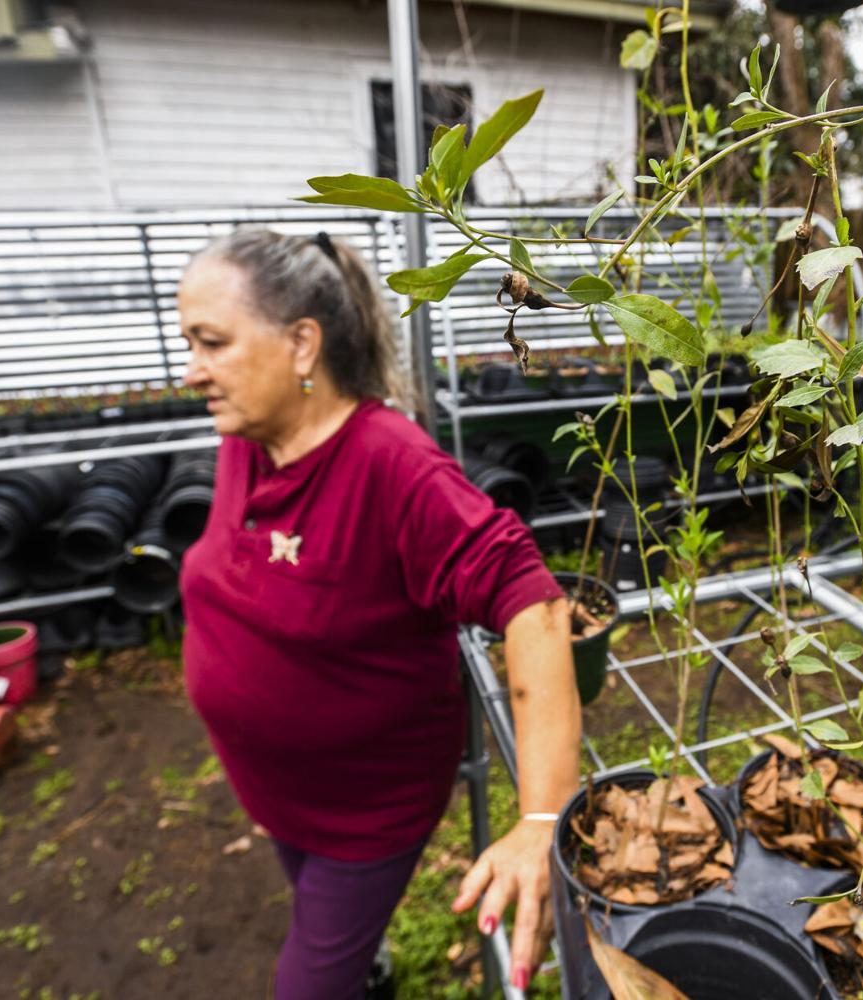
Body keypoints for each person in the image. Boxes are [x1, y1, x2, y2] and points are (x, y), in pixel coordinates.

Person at [176, 228, 581, 999]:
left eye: (212, 342)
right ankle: (364, 963)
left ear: (301, 345)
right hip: (278, 789)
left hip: (361, 816)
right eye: (189, 342)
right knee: (321, 920)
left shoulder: (391, 467)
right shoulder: (250, 439)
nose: (193, 370)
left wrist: (540, 818)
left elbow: (533, 601)